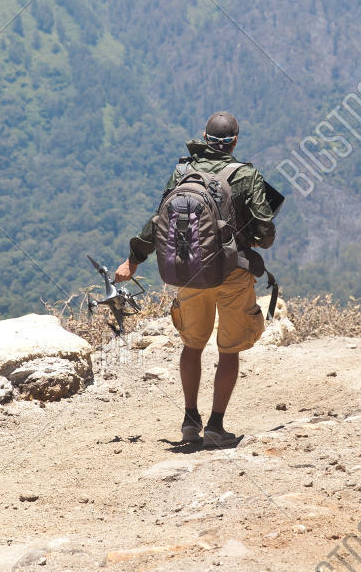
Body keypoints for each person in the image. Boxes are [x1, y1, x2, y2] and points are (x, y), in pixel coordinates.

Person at [114, 112, 276, 449]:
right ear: (234, 141)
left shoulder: (182, 172)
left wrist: (133, 260)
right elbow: (266, 233)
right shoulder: (246, 175)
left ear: (203, 137)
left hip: (191, 272)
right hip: (232, 273)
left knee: (193, 344)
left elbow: (159, 219)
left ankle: (190, 420)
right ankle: (216, 425)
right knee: (228, 349)